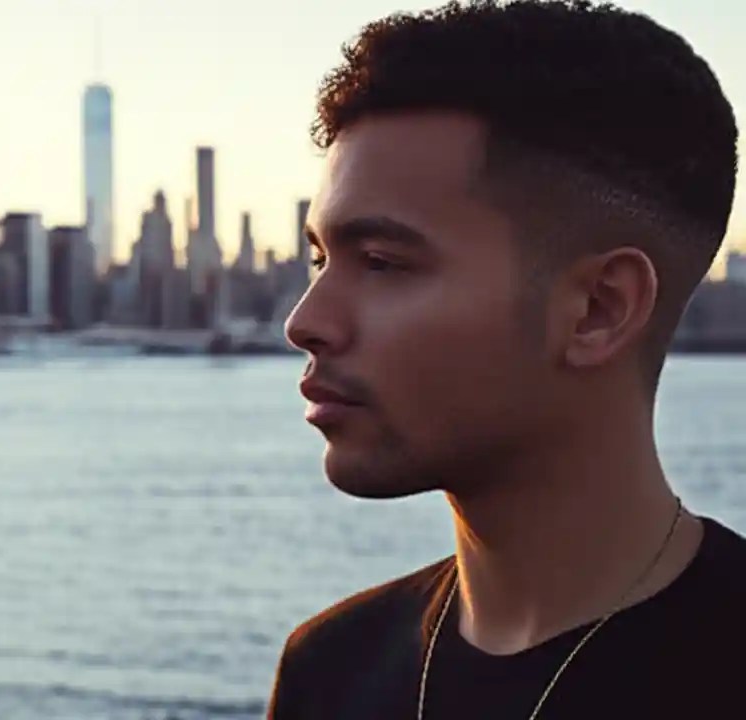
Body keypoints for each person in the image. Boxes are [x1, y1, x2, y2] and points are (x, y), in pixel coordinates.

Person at [269, 1, 746, 718]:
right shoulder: (331, 670)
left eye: (381, 262)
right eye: (318, 258)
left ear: (599, 310)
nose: (305, 323)